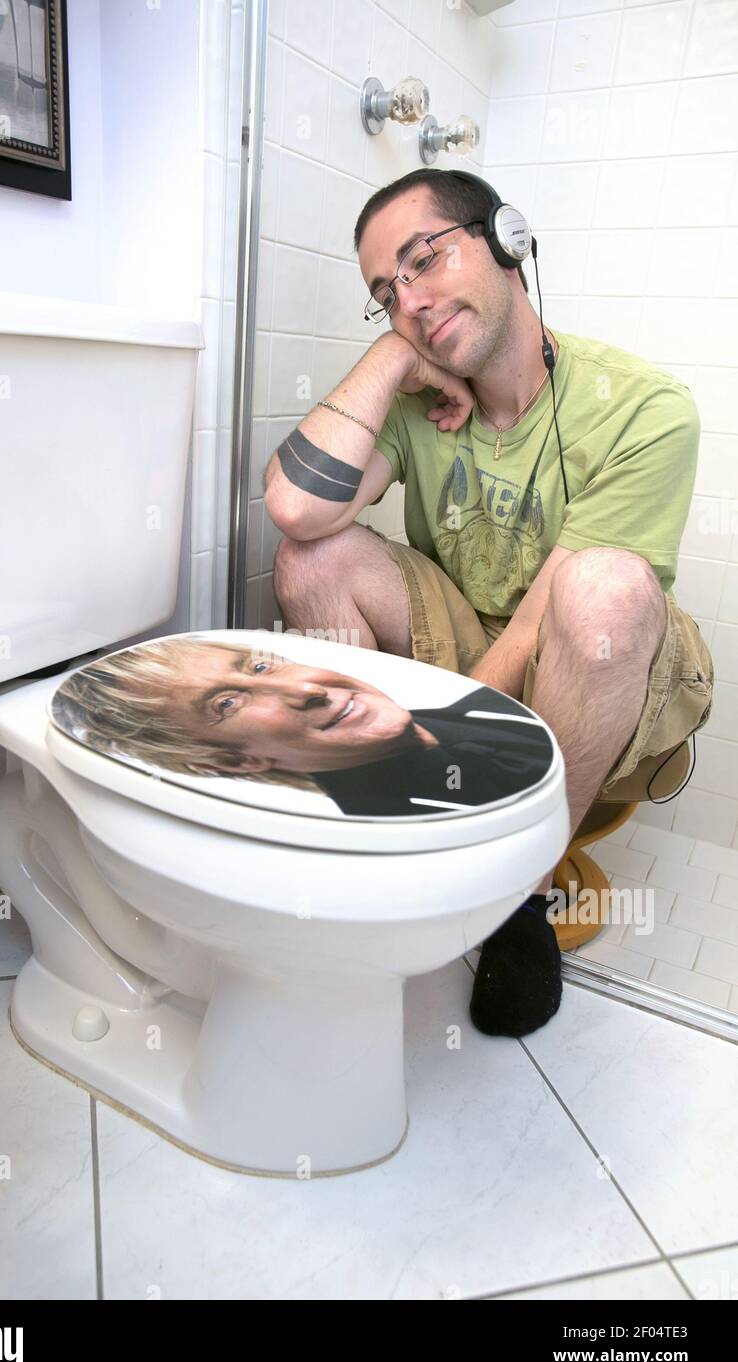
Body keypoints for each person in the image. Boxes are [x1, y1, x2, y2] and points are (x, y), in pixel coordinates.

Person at [263, 167, 714, 1039]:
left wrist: (455, 742)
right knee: (312, 558)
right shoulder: (418, 394)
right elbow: (294, 507)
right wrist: (394, 356)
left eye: (424, 260)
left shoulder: (646, 407)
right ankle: (374, 824)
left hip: (603, 653)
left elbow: (562, 603)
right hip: (471, 629)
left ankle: (522, 892)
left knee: (602, 586)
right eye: (385, 293)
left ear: (507, 240)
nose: (412, 301)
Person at [50, 637, 554, 817]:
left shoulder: (465, 716)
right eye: (227, 703)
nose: (307, 690)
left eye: (260, 667)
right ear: (236, 760)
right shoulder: (404, 818)